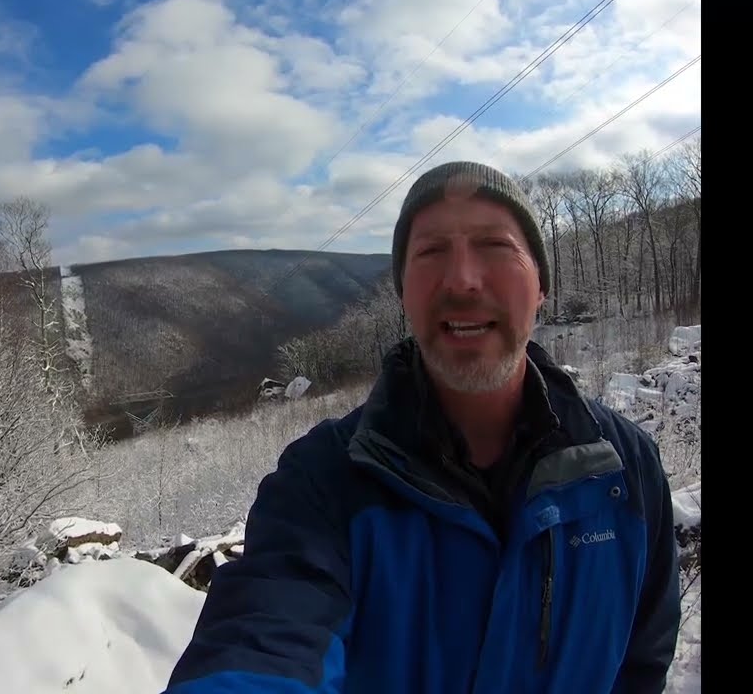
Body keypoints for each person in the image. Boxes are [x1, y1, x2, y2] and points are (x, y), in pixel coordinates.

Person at [162, 161, 681, 694]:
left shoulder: (627, 470)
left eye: (496, 246)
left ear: (541, 286)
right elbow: (263, 637)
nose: (461, 280)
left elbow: (642, 660)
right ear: (404, 294)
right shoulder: (323, 483)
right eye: (431, 252)